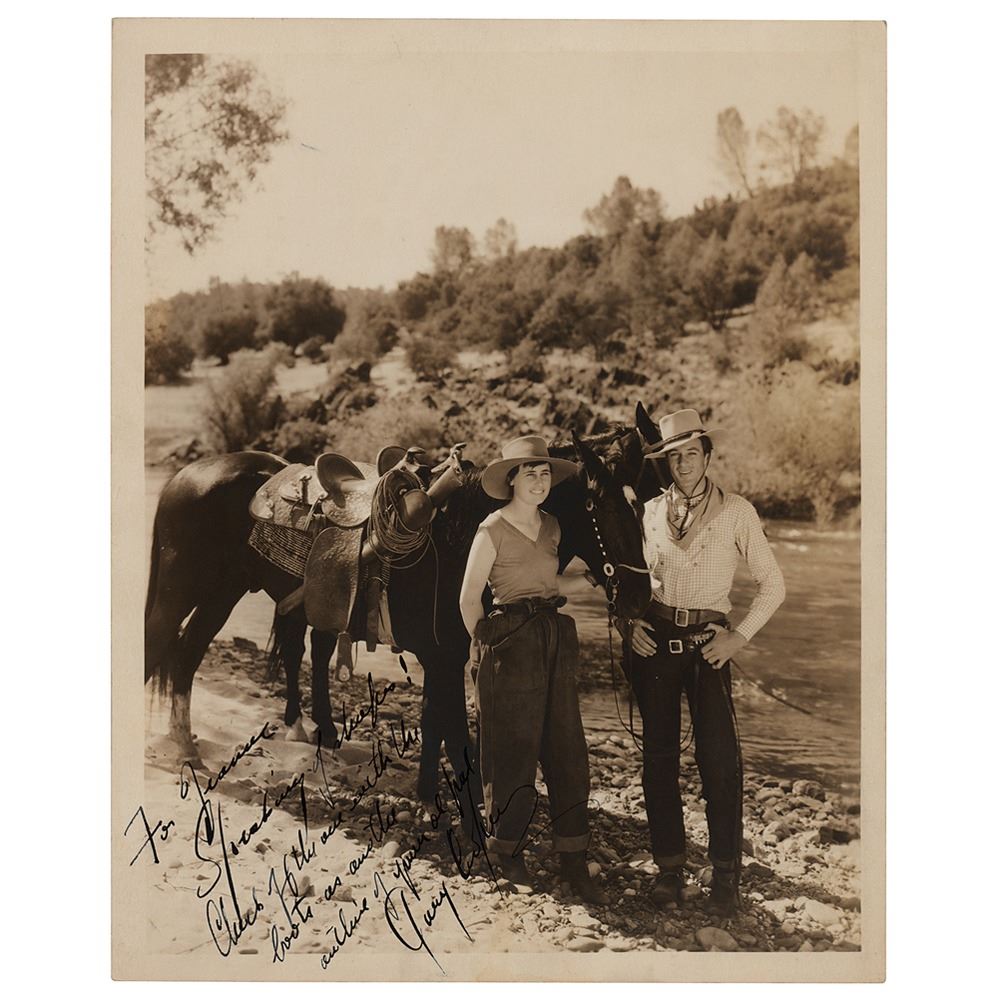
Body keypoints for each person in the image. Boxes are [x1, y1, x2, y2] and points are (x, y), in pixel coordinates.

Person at [624, 409, 785, 915]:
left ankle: (725, 876)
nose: (683, 464)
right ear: (666, 462)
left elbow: (774, 585)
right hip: (657, 644)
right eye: (673, 456)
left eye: (691, 453)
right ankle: (669, 869)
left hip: (711, 646)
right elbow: (625, 582)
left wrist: (738, 638)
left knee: (720, 764)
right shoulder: (650, 512)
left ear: (707, 456)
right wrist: (628, 623)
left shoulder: (737, 511)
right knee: (658, 762)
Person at [459, 436, 607, 904]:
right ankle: (506, 853)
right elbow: (469, 597)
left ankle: (573, 859)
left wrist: (584, 578)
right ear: (511, 480)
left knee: (567, 747)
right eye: (530, 473)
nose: (540, 481)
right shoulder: (491, 529)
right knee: (512, 750)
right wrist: (486, 641)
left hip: (554, 638)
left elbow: (546, 578)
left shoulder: (554, 526)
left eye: (545, 473)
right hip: (510, 641)